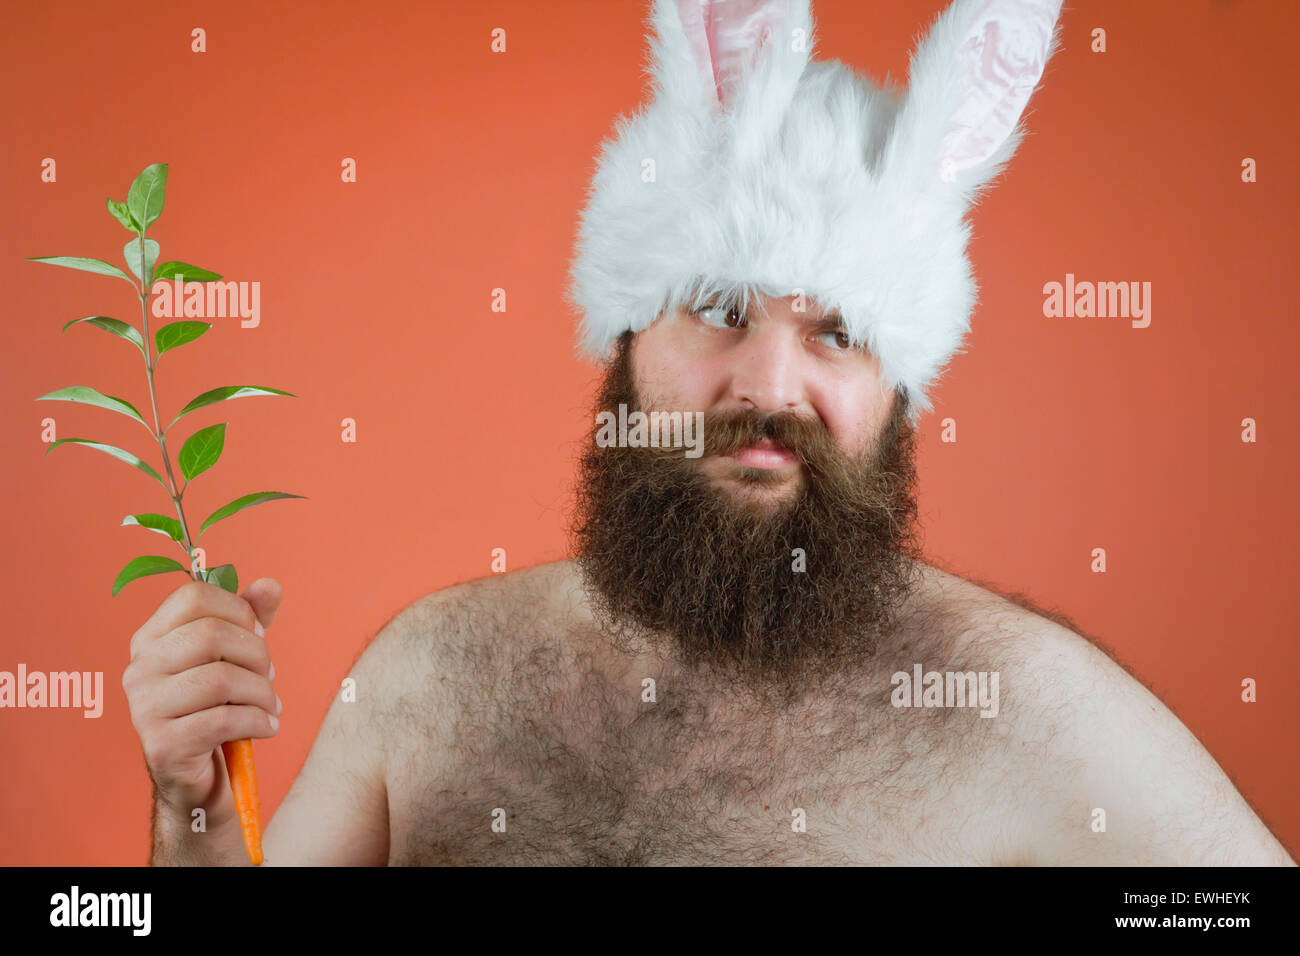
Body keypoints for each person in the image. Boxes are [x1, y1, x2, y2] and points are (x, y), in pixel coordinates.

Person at [124, 0, 1295, 865]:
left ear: (898, 389)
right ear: (628, 337)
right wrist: (196, 809)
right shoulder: (431, 673)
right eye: (723, 309)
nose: (769, 384)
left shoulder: (1026, 708)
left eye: (837, 330)